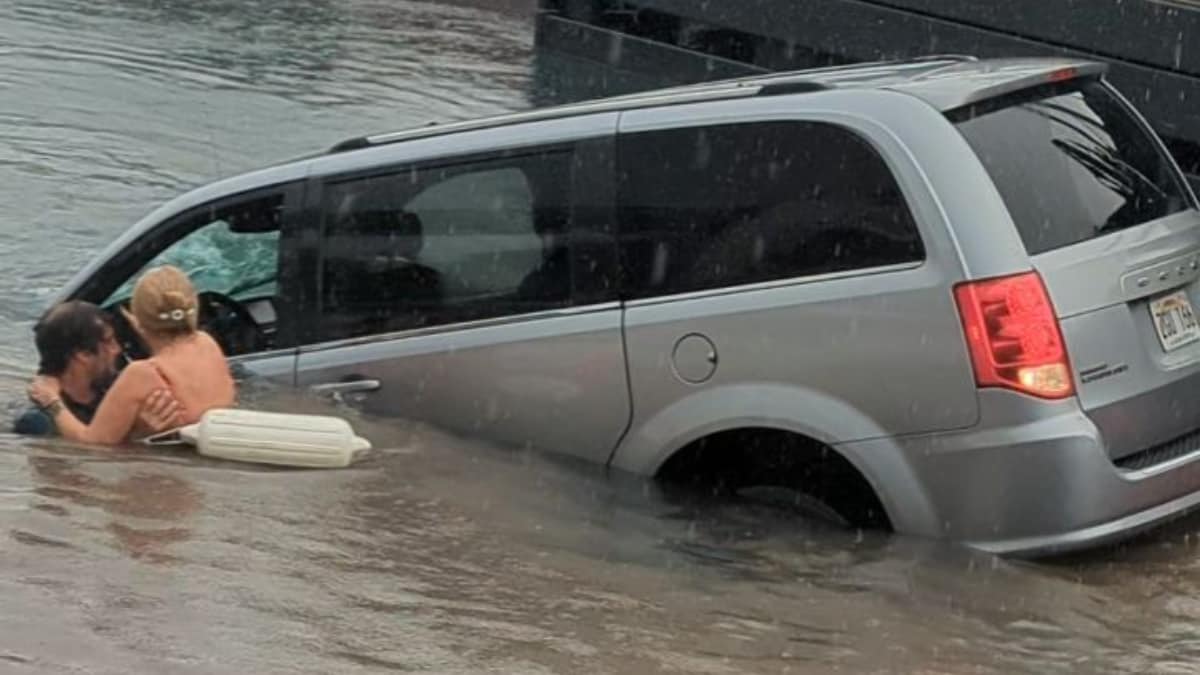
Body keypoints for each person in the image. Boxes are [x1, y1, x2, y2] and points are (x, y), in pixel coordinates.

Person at [28, 265, 236, 445]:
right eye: (109, 342)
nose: (117, 349)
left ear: (137, 320)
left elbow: (94, 445)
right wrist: (138, 433)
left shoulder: (142, 374)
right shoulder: (207, 344)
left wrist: (52, 403)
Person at [14, 300, 180, 436]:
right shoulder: (39, 421)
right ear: (83, 354)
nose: (118, 349)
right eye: (109, 342)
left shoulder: (112, 391)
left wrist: (141, 430)